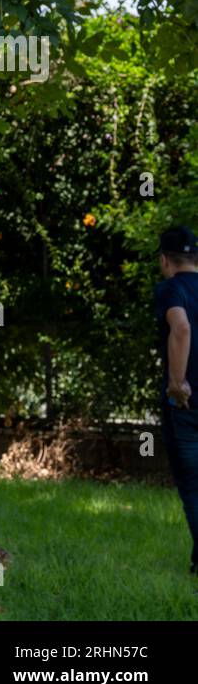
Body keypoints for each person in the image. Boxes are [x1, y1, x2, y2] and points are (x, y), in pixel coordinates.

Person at [154, 225, 198, 575]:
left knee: (193, 485)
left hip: (186, 405)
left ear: (165, 260)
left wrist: (177, 382)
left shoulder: (170, 289)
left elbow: (180, 328)